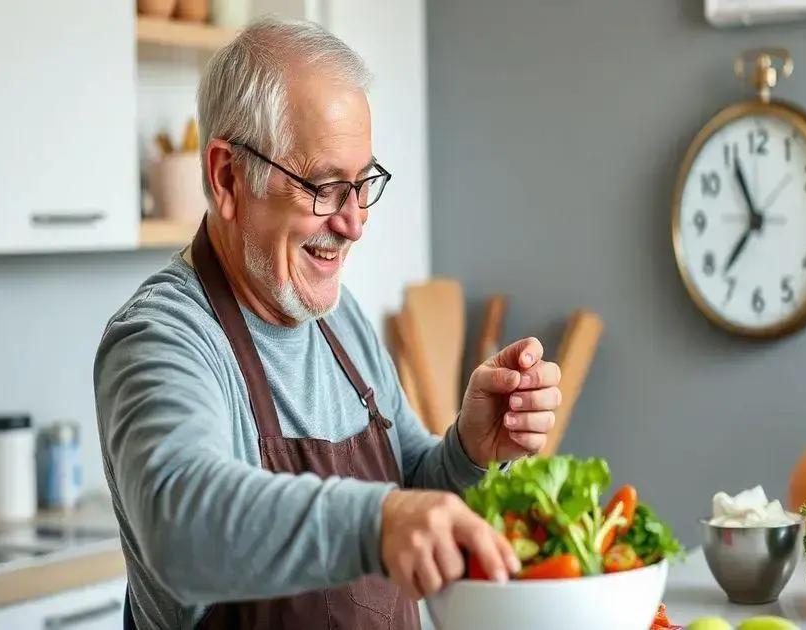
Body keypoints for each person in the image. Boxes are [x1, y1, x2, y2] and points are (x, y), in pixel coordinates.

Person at [94, 17, 560, 629]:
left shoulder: (338, 319)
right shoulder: (163, 337)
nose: (355, 222)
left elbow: (409, 489)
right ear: (227, 177)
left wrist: (469, 451)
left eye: (362, 183)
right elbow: (179, 526)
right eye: (324, 186)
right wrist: (377, 522)